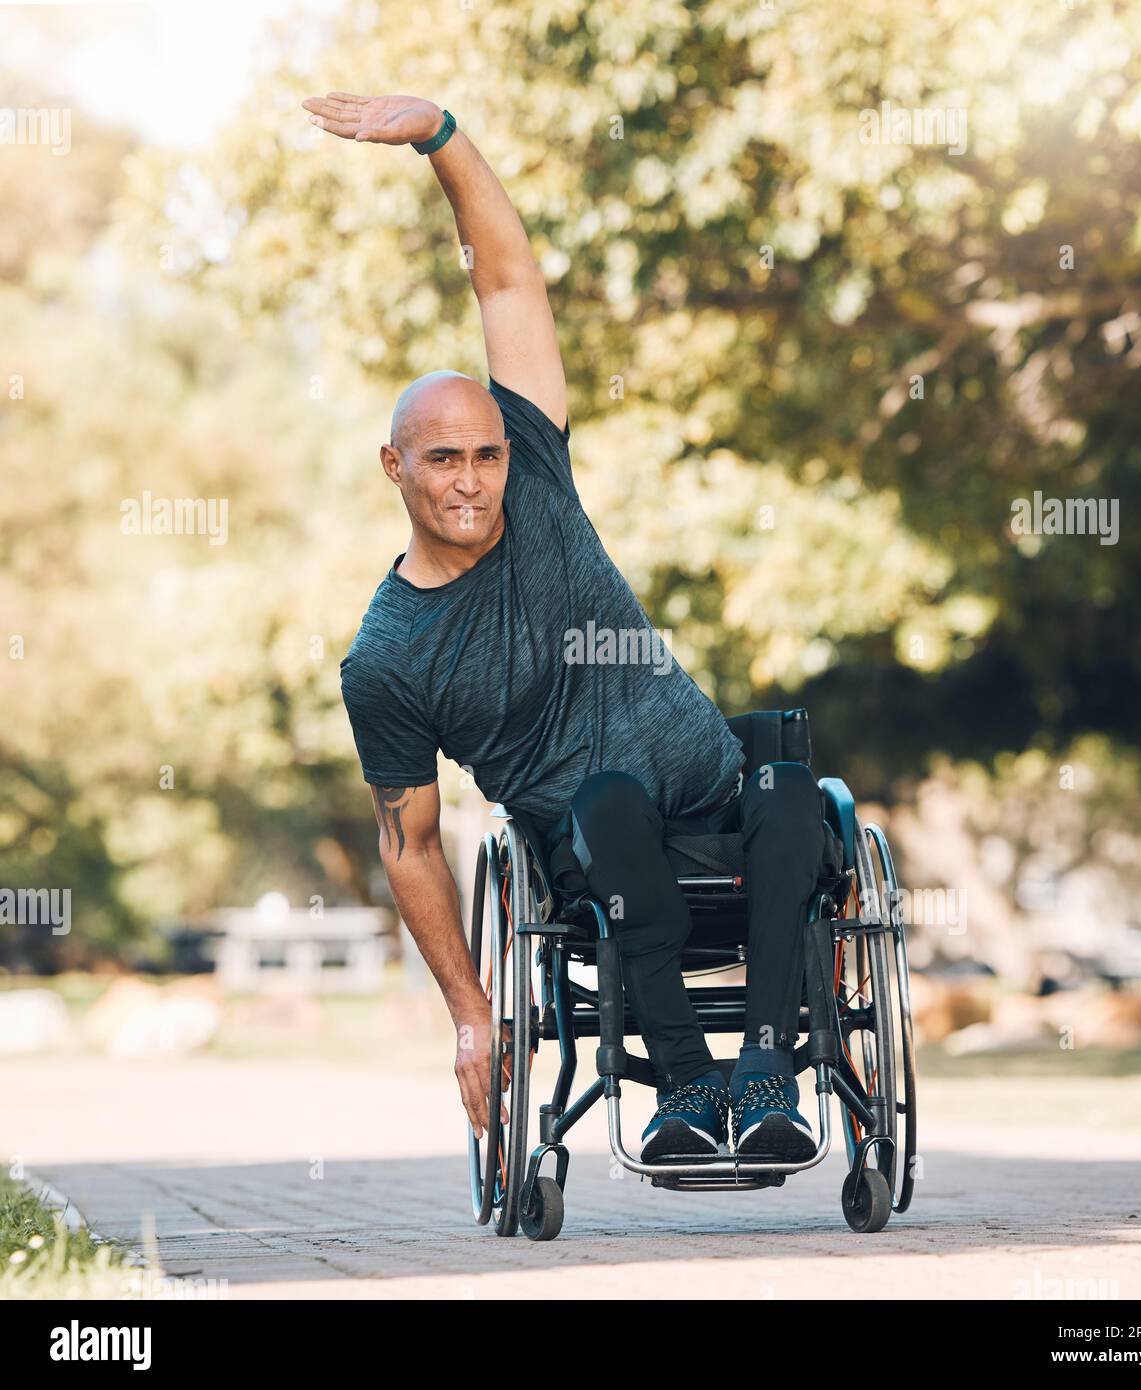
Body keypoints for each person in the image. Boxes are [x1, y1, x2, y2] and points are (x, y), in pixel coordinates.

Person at [308, 91, 827, 1162]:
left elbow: (506, 278)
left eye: (485, 454)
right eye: (443, 459)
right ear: (394, 467)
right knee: (606, 798)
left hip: (714, 799)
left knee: (791, 791)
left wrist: (441, 136)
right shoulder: (389, 656)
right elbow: (406, 846)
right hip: (596, 854)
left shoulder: (538, 466)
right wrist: (467, 1011)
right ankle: (684, 1089)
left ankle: (770, 1071)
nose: (472, 480)